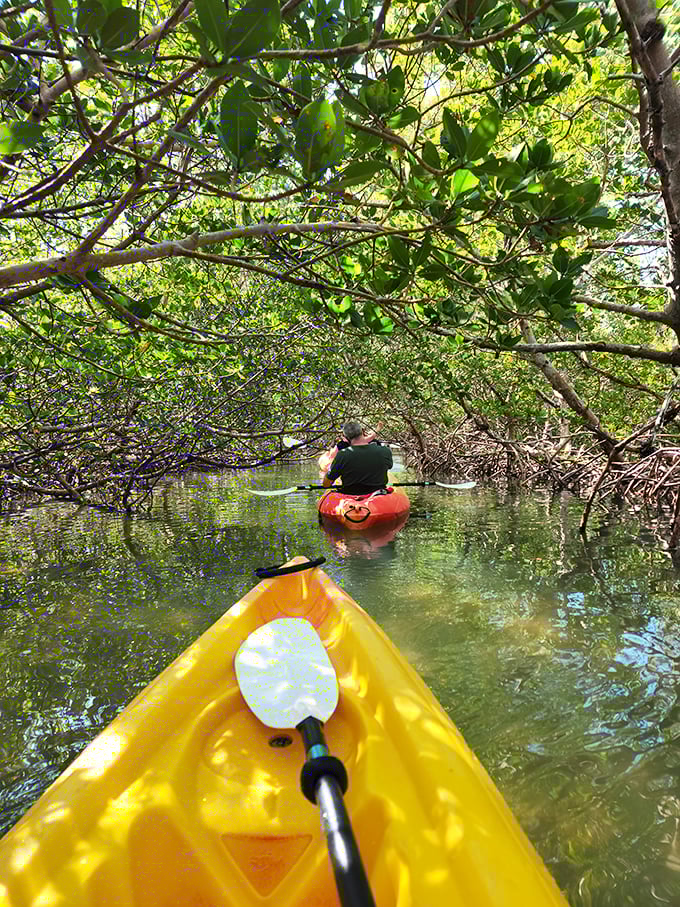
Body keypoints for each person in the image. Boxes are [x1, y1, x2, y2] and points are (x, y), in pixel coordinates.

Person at [322, 420, 392, 495]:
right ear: (362, 431)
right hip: (377, 493)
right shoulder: (385, 451)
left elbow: (326, 484)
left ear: (345, 437)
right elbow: (389, 467)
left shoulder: (342, 455)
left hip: (350, 494)